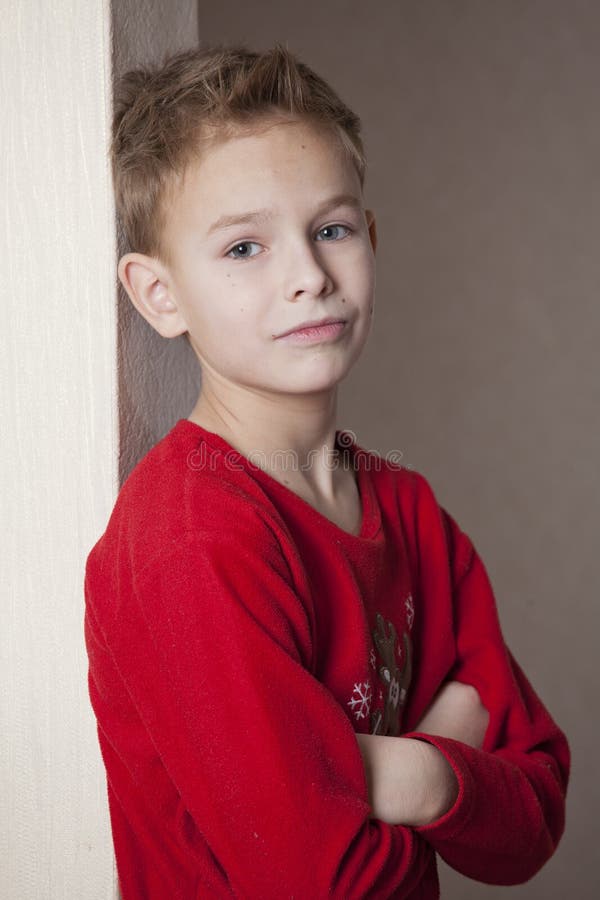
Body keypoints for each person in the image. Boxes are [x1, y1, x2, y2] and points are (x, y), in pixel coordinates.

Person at [83, 42, 570, 899]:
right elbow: (326, 884)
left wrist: (418, 777)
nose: (308, 276)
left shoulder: (409, 511)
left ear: (370, 242)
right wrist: (449, 747)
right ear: (160, 294)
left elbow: (534, 814)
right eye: (244, 248)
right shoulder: (191, 541)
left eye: (332, 230)